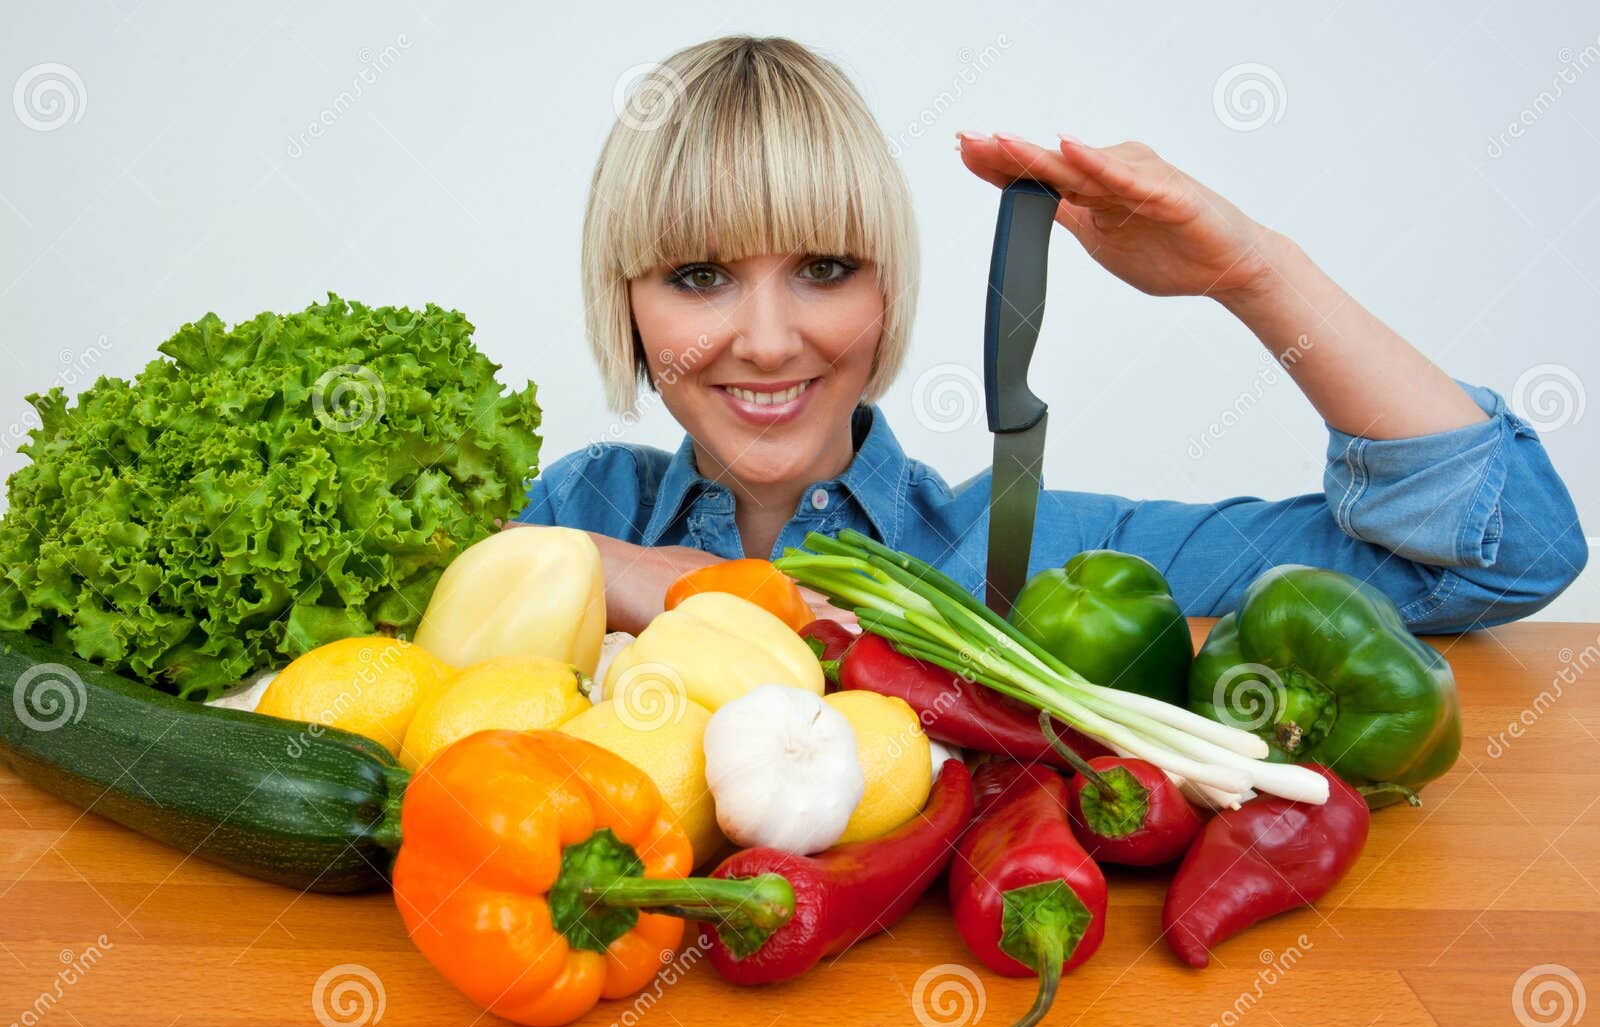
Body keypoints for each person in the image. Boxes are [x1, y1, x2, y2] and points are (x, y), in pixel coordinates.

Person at [515, 34, 1586, 636]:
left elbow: (1505, 557)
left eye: (823, 269)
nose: (763, 339)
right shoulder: (573, 510)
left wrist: (1252, 271)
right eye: (698, 277)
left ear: (887, 290)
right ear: (629, 303)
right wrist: (582, 561)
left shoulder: (1044, 553)